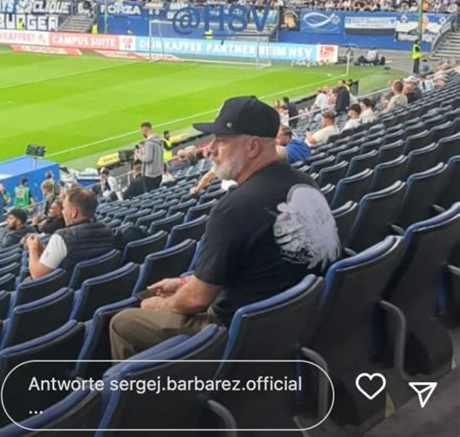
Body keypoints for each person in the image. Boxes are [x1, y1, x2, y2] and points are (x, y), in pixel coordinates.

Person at [109, 96, 340, 359]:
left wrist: (163, 305)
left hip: (243, 333)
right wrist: (185, 282)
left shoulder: (233, 208)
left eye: (221, 140)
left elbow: (197, 299)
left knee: (122, 322)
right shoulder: (305, 182)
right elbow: (263, 263)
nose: (210, 149)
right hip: (293, 317)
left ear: (253, 146)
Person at [26, 187, 114, 279]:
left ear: (73, 213)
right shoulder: (107, 230)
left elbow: (37, 274)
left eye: (64, 208)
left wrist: (32, 248)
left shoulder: (62, 237)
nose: (63, 212)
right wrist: (44, 250)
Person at [137, 122, 164, 192]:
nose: (141, 132)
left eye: (141, 130)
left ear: (144, 129)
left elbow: (148, 158)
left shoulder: (149, 143)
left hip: (150, 175)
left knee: (151, 194)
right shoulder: (159, 139)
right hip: (159, 172)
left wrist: (139, 155)